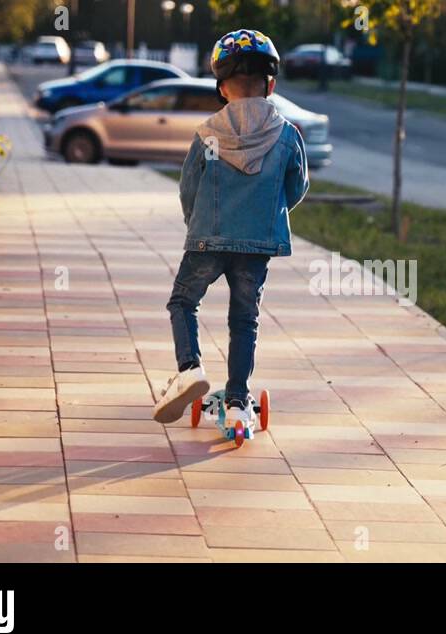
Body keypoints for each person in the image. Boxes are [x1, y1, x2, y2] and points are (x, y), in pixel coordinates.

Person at [152, 28, 309, 427]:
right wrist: (265, 213)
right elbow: (296, 188)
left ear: (222, 89)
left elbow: (189, 189)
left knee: (183, 302)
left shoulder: (207, 135)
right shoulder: (288, 136)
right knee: (244, 319)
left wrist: (198, 225)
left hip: (208, 239)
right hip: (256, 244)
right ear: (270, 85)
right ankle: (239, 400)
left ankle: (190, 370)